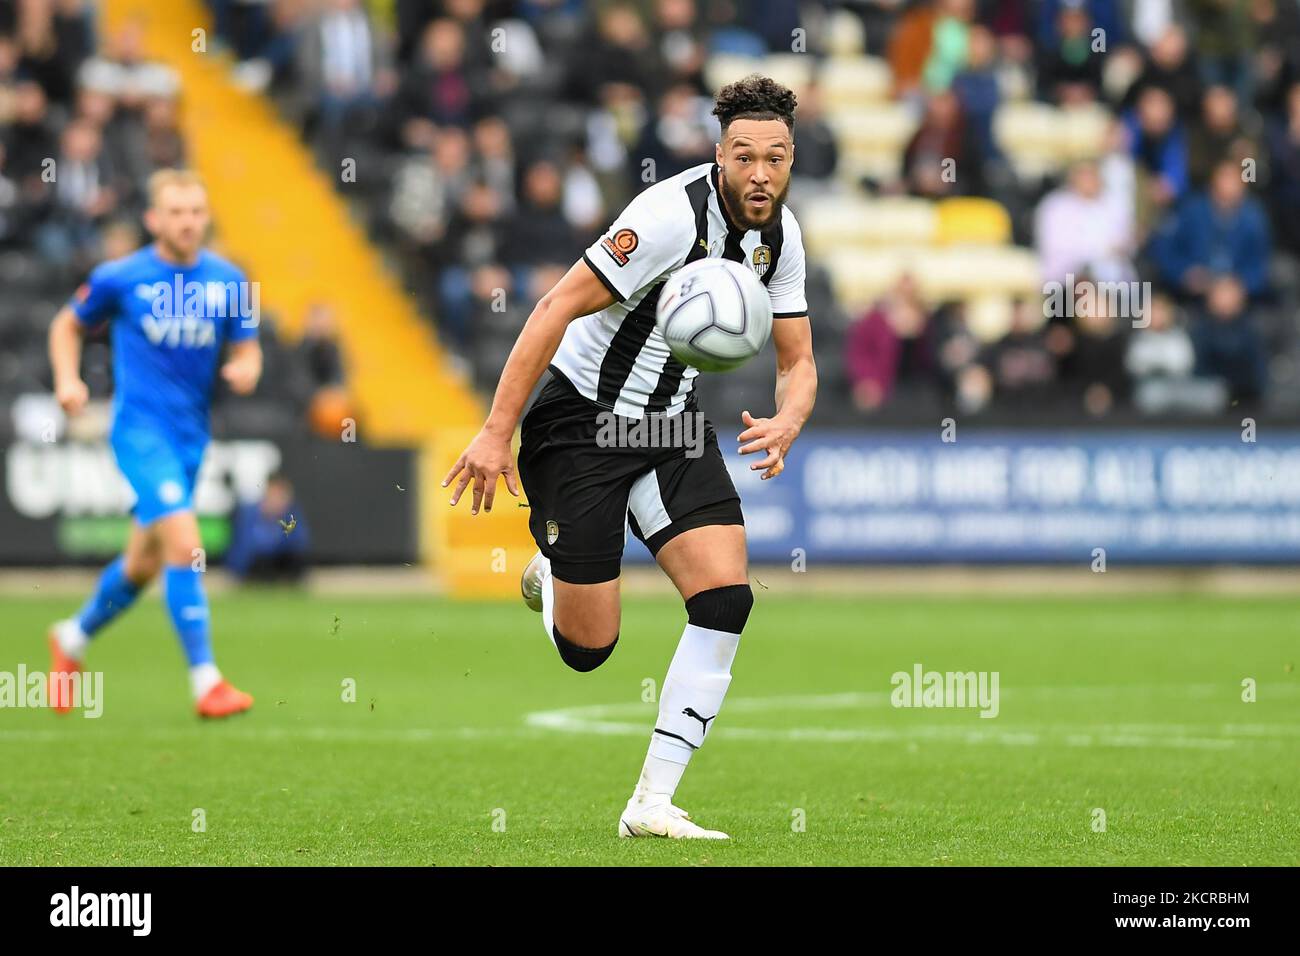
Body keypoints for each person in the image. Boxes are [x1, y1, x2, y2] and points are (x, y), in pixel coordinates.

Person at [441, 75, 816, 840]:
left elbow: (798, 360)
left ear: (790, 158)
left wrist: (789, 419)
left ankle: (651, 802)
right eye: (744, 156)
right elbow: (553, 307)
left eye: (774, 158)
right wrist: (494, 431)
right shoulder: (665, 217)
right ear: (719, 153)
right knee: (590, 651)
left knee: (725, 599)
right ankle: (551, 578)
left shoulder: (782, 238)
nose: (759, 173)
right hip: (579, 424)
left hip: (670, 427)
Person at [45, 168, 262, 718]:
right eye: (176, 212)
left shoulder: (233, 280)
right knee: (186, 544)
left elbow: (248, 346)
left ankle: (71, 637)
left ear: (205, 216)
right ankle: (206, 680)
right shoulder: (121, 277)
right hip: (140, 432)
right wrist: (69, 380)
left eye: (196, 212)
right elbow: (65, 325)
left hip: (192, 438)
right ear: (153, 219)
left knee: (142, 564)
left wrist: (246, 368)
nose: (188, 222)